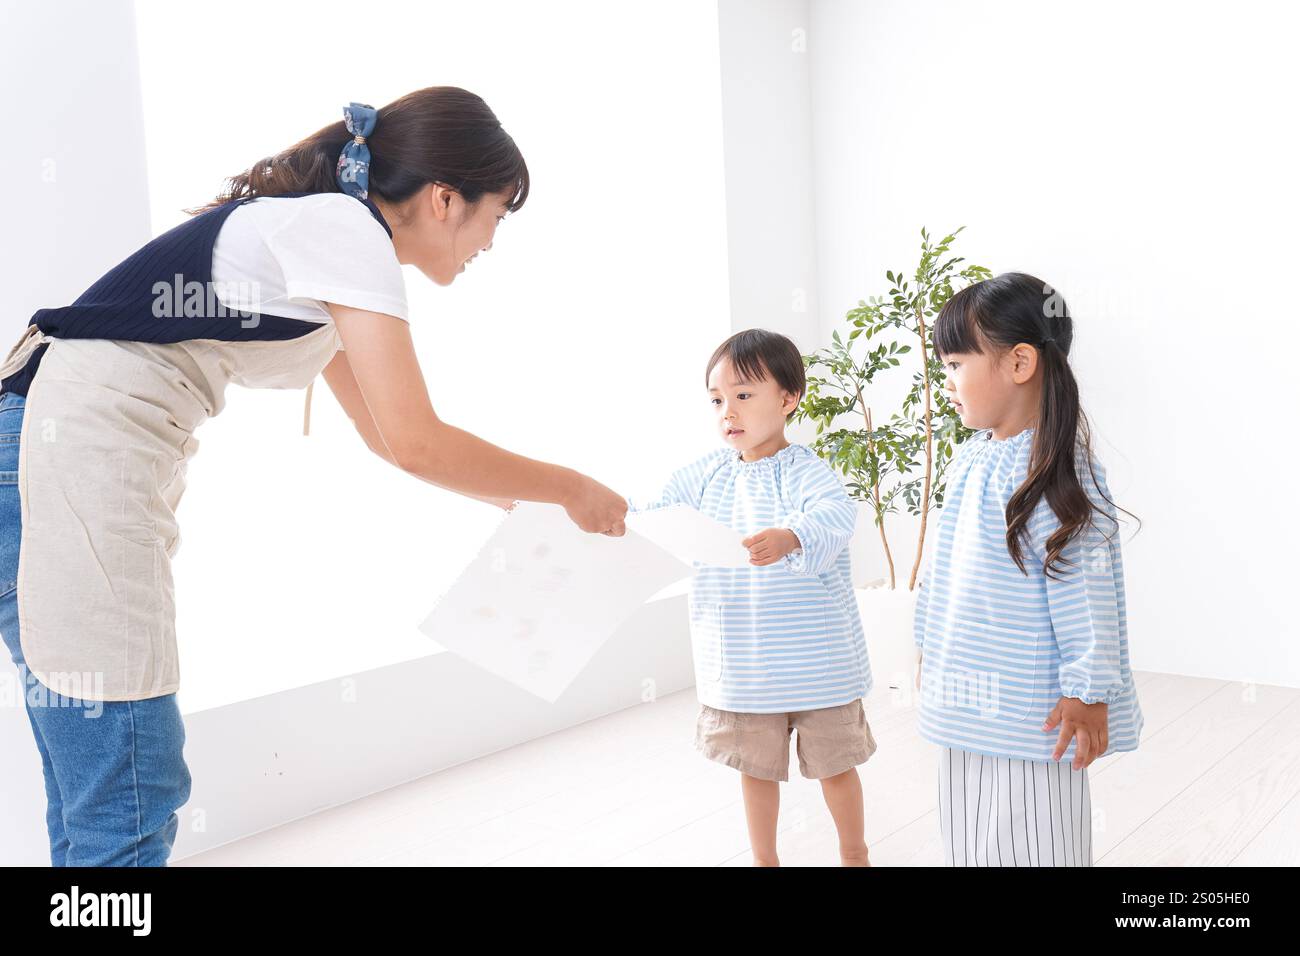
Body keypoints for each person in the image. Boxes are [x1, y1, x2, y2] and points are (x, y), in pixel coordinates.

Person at [0, 87, 627, 866]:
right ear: (443, 199)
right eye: (496, 216)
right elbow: (418, 439)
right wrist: (570, 486)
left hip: (37, 441)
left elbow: (386, 438)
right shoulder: (343, 233)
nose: (490, 244)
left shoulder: (323, 245)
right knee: (126, 783)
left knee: (93, 773)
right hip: (70, 451)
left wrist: (528, 508)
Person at [913, 272, 1144, 866]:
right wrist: (926, 648)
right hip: (964, 699)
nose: (948, 383)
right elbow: (944, 573)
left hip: (1034, 715)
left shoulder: (1057, 469)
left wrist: (1088, 691)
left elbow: (1083, 588)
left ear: (1019, 363)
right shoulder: (971, 461)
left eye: (956, 364)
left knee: (1039, 844)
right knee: (969, 839)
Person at [626, 329, 876, 867]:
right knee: (756, 770)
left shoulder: (806, 471)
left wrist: (792, 537)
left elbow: (834, 516)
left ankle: (854, 852)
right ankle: (765, 857)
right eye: (717, 400)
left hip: (817, 662)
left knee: (836, 765)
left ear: (787, 399)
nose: (727, 412)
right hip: (745, 661)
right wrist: (605, 515)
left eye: (743, 395)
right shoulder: (703, 475)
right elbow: (656, 514)